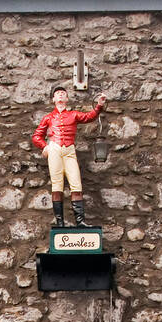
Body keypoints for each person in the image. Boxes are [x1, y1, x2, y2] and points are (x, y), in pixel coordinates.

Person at [32, 87, 108, 228]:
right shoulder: (48, 117)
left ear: (67, 99)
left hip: (69, 150)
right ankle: (59, 222)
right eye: (57, 94)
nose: (60, 95)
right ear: (53, 99)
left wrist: (99, 105)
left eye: (63, 94)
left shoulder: (73, 115)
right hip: (54, 149)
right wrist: (44, 146)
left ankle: (80, 221)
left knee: (76, 184)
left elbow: (89, 116)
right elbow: (36, 136)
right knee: (57, 185)